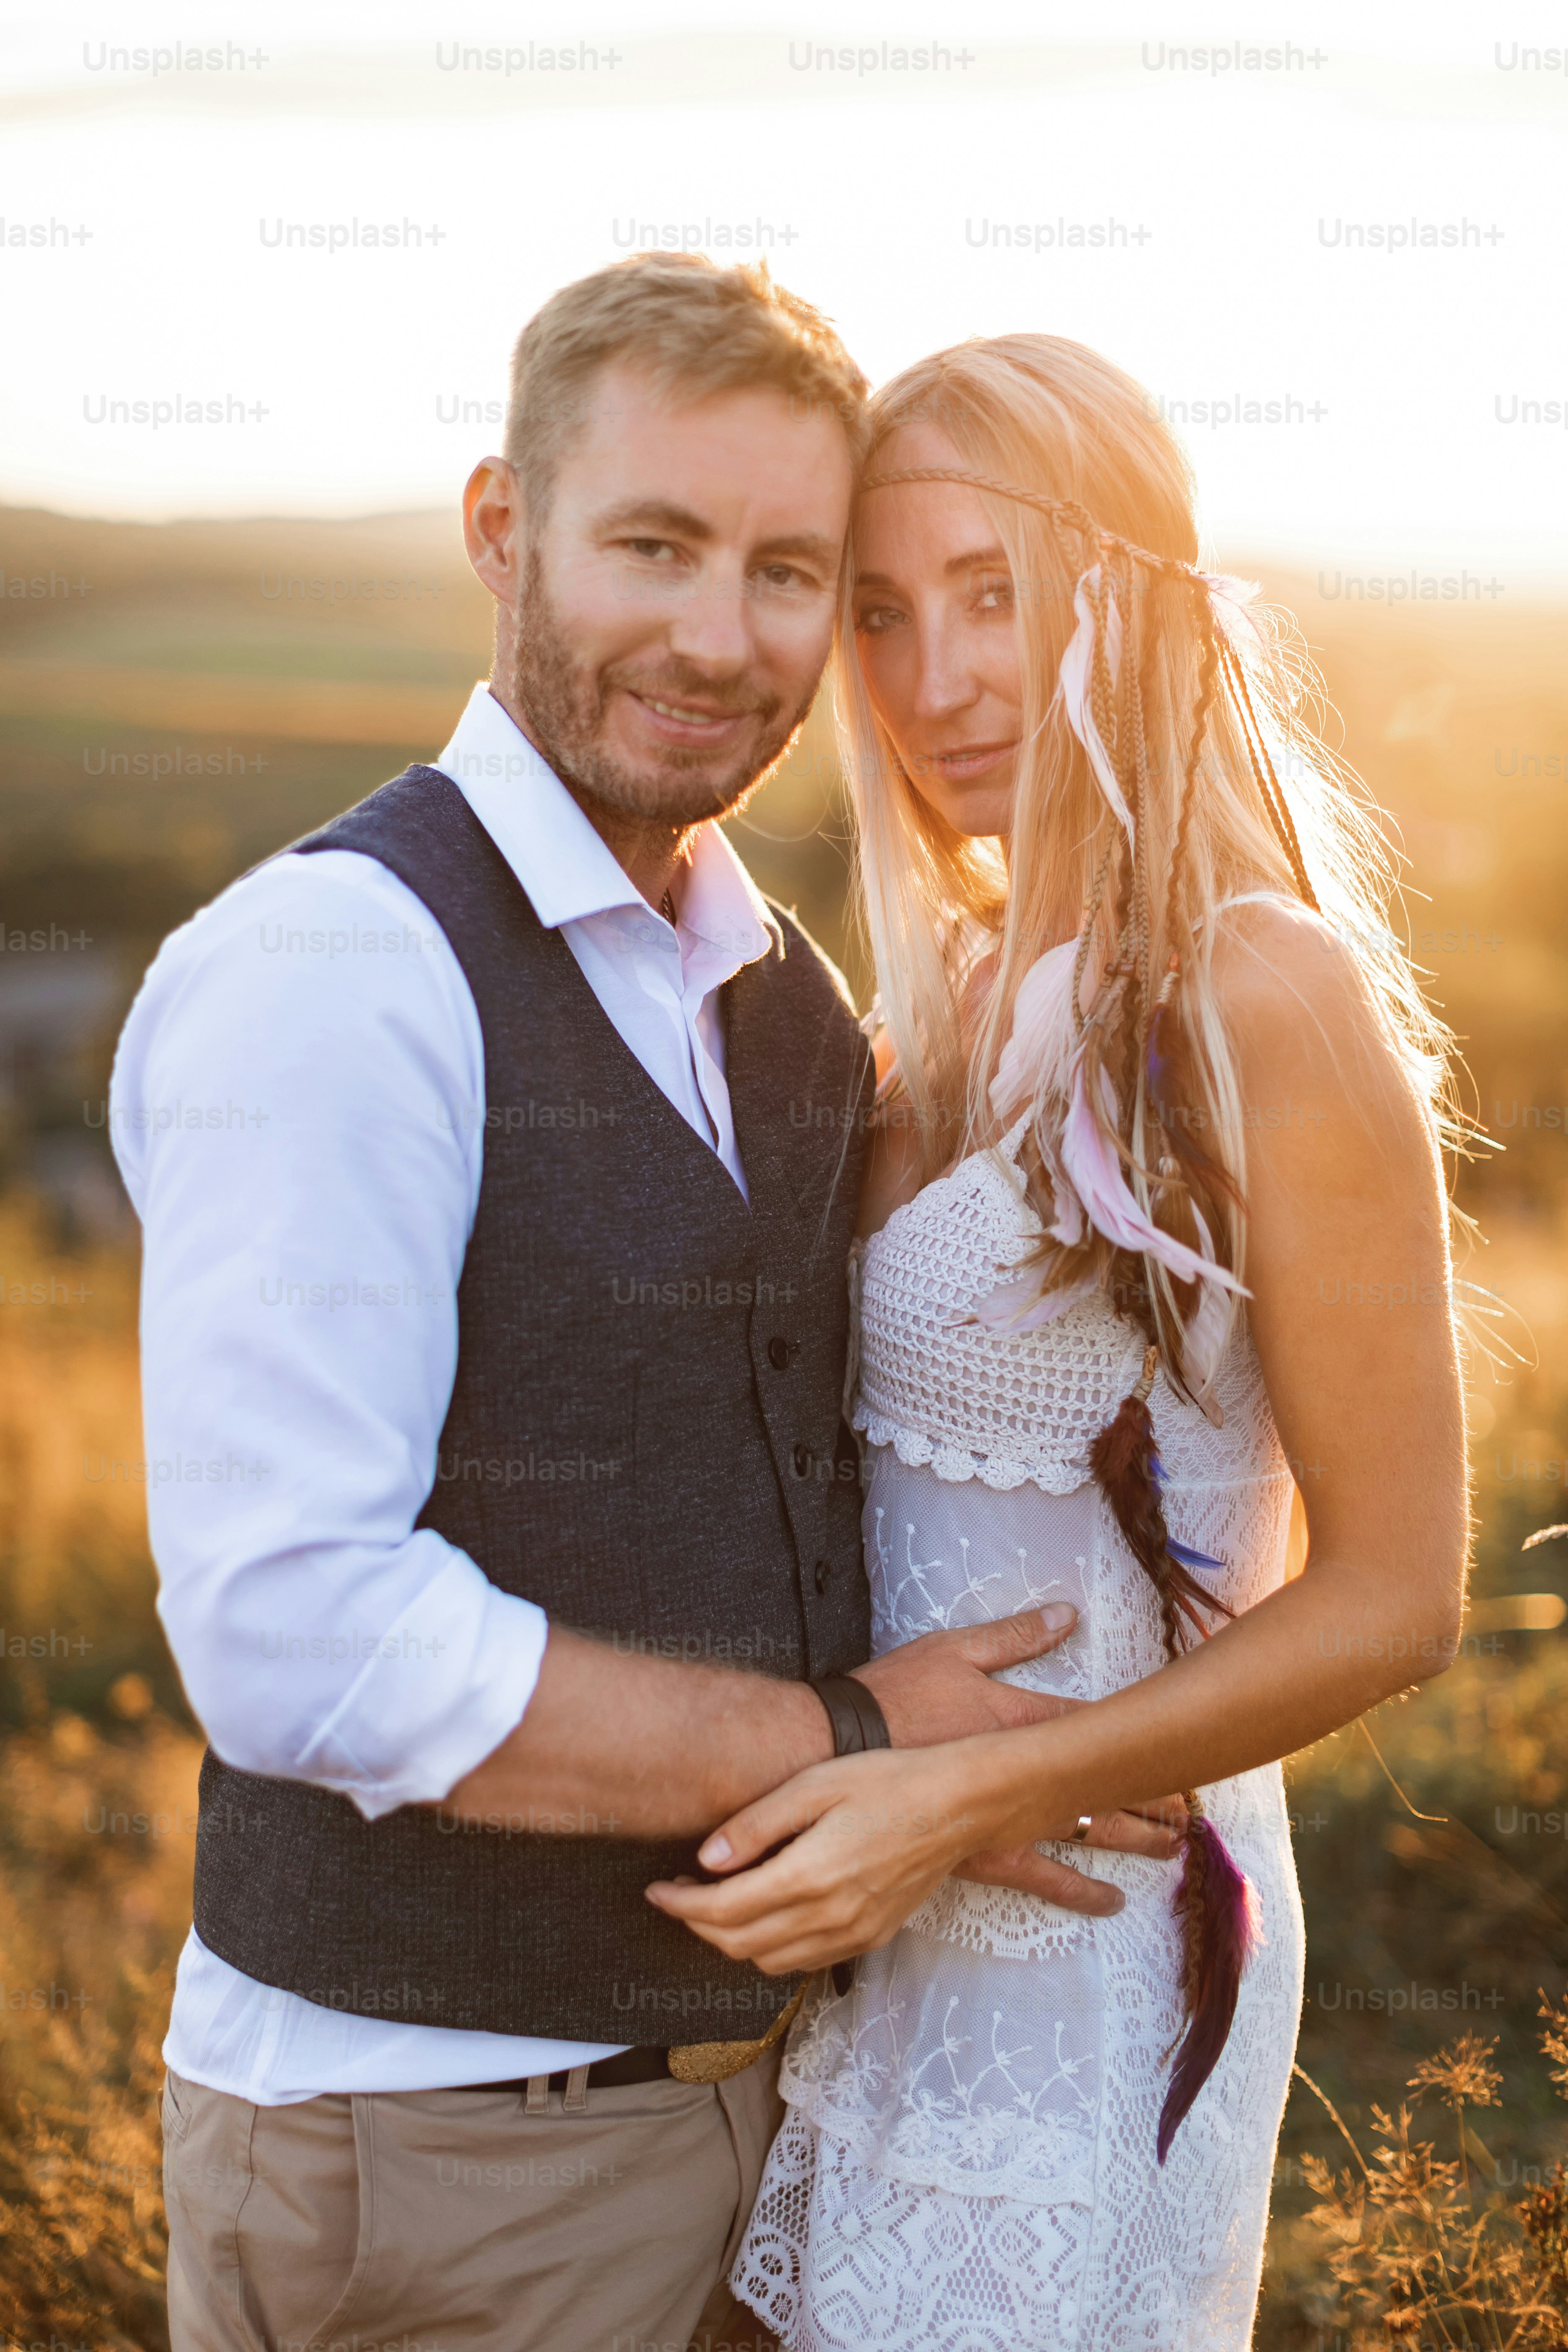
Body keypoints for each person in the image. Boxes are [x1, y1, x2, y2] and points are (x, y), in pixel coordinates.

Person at [116, 262, 1182, 2352]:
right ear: (503, 531)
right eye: (655, 545)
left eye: (793, 570)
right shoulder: (337, 968)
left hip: (773, 2138)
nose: (723, 635)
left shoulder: (785, 1008)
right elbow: (291, 1630)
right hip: (429, 2146)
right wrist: (867, 1749)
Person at [651, 334, 1470, 2351]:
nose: (940, 685)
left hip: (1092, 1955)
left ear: (1140, 595)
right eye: (884, 612)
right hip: (884, 1929)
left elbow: (1395, 1591)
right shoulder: (939, 1007)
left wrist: (958, 1800)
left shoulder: (1264, 987)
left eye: (998, 594)